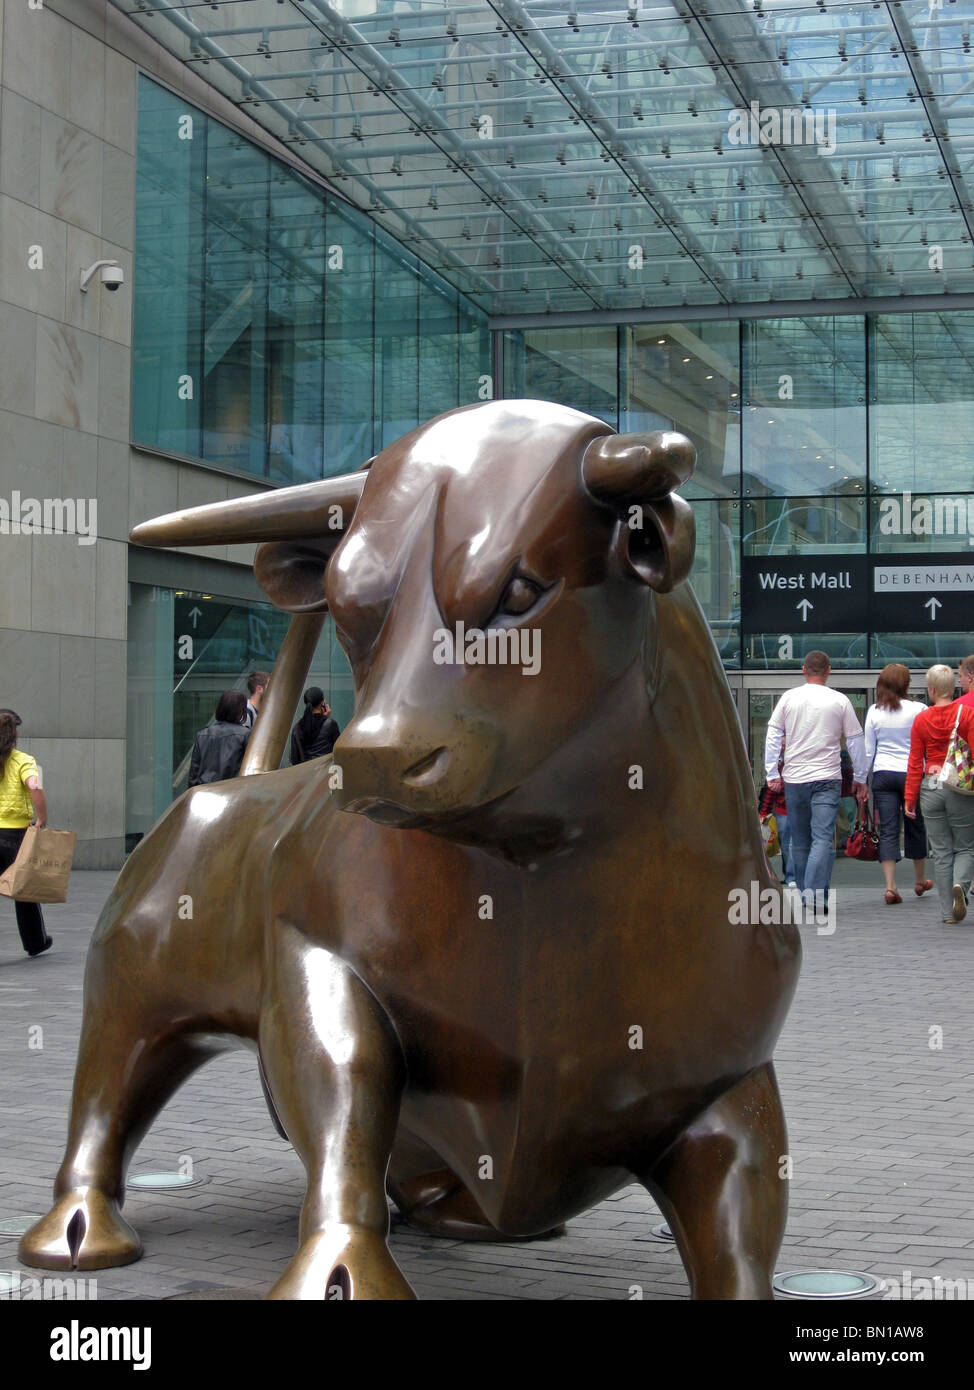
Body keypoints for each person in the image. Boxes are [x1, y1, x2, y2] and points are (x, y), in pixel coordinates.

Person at [765, 650, 868, 897]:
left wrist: (771, 773)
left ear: (803, 670)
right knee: (822, 838)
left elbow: (773, 735)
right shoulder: (840, 701)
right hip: (827, 778)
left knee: (799, 841)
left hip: (795, 779)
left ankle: (805, 892)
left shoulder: (789, 698)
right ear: (829, 671)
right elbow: (855, 740)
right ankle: (813, 893)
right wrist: (861, 778)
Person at [905, 664, 974, 924]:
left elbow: (914, 761)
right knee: (966, 846)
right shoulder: (966, 714)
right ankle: (961, 885)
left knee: (942, 851)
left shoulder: (921, 720)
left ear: (932, 690)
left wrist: (909, 798)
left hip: (931, 787)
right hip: (958, 788)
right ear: (953, 687)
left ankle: (947, 913)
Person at [863, 663, 931, 905]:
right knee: (916, 826)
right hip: (912, 774)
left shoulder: (874, 711)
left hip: (883, 774)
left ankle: (890, 887)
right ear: (906, 684)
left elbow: (869, 750)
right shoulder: (919, 709)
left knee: (889, 830)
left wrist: (862, 781)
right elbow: (925, 745)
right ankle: (920, 880)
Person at [0, 710, 53, 956]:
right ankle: (35, 942)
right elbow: (34, 786)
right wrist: (41, 818)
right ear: (14, 735)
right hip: (15, 837)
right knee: (24, 890)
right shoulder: (23, 760)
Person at [188, 691, 250, 787]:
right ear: (241, 710)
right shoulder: (245, 735)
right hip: (232, 792)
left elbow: (194, 774)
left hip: (205, 793)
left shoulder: (202, 735)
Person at [290, 687, 340, 765]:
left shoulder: (296, 728)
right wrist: (327, 718)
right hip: (325, 775)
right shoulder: (330, 724)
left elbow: (294, 760)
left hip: (305, 775)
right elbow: (338, 753)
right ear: (323, 703)